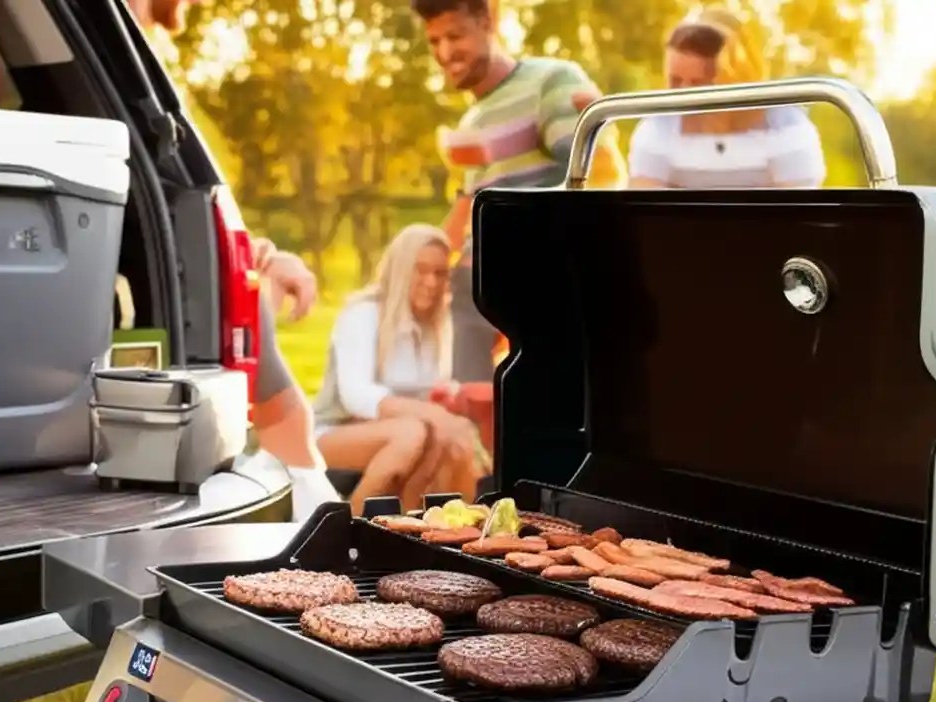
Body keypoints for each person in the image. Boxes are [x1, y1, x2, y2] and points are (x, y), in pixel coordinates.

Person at [126, 0, 323, 471]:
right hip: (177, 299)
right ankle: (323, 523)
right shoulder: (125, 58)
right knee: (291, 425)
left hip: (199, 283)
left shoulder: (138, 60)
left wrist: (267, 259)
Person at [414, 0, 627, 385]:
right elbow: (466, 208)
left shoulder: (549, 83)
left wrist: (601, 132)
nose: (444, 53)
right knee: (469, 403)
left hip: (540, 275)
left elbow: (597, 177)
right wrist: (408, 268)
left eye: (455, 36)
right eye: (435, 41)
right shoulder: (472, 120)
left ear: (488, 21)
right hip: (477, 289)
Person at [312, 225, 487, 514]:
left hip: (407, 434)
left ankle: (414, 528)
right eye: (421, 270)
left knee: (444, 436)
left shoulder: (437, 326)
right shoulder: (363, 313)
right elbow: (355, 396)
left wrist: (449, 398)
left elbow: (433, 389)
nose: (431, 282)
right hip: (332, 431)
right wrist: (433, 414)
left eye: (440, 273)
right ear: (401, 269)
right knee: (413, 432)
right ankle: (349, 527)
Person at [626, 7, 826, 190]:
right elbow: (646, 209)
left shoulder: (787, 127)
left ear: (736, 76)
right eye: (676, 80)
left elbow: (797, 215)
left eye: (699, 83)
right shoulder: (658, 129)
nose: (684, 93)